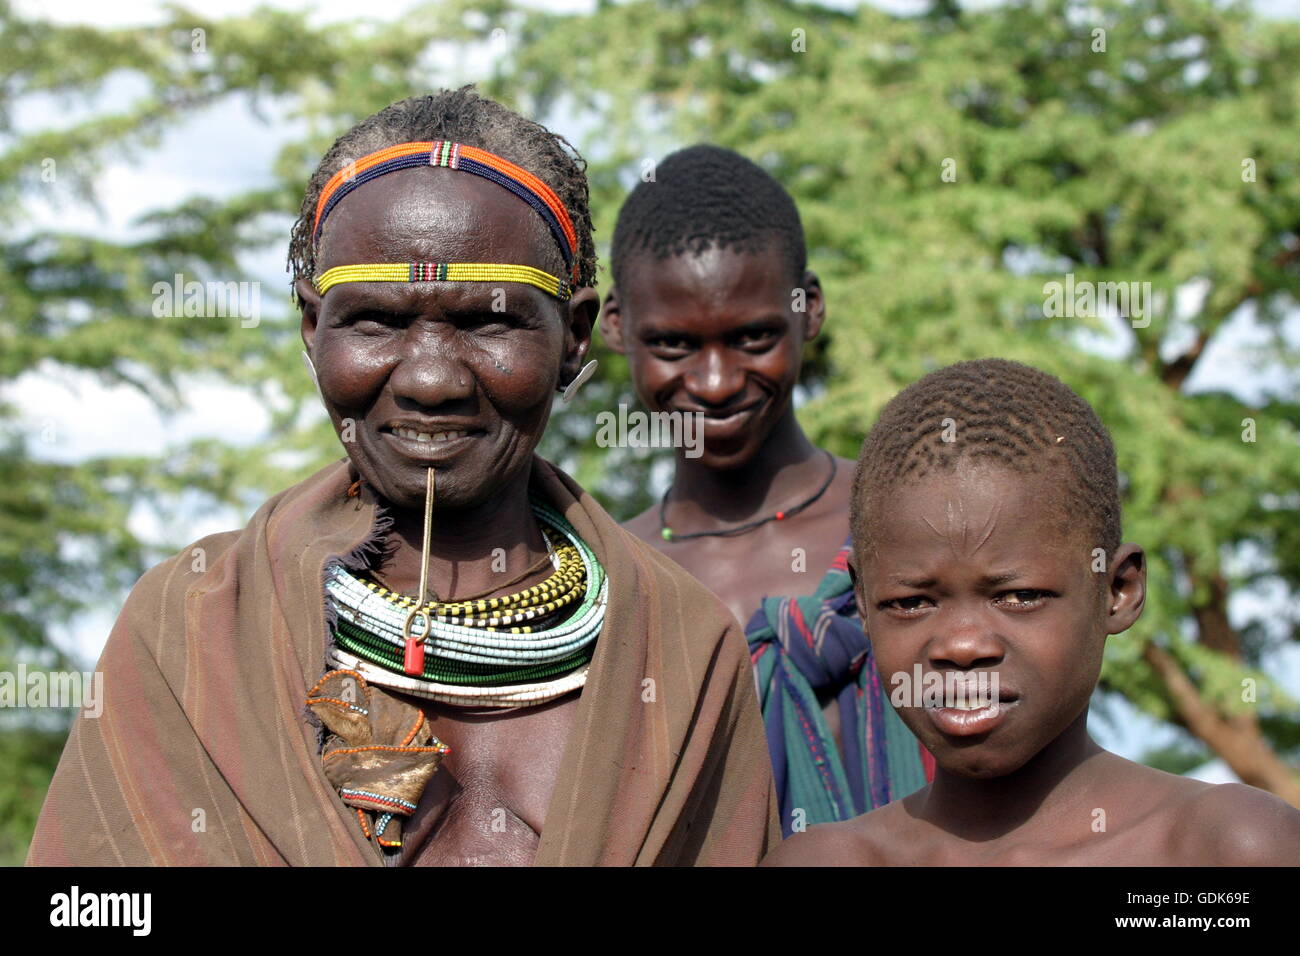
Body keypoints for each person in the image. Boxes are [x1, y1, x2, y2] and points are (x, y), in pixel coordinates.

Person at [27, 90, 779, 867]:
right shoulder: (190, 631)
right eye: (377, 321)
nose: (429, 379)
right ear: (314, 331)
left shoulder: (682, 653)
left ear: (574, 337)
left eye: (488, 321)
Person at [763, 358, 1300, 865]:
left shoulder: (1222, 849)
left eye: (1018, 597)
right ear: (861, 602)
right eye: (910, 603)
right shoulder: (822, 861)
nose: (961, 646)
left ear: (1118, 590)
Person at [603, 145, 930, 838]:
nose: (716, 383)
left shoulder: (909, 520)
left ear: (808, 310)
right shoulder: (611, 579)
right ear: (613, 326)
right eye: (672, 345)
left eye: (753, 337)